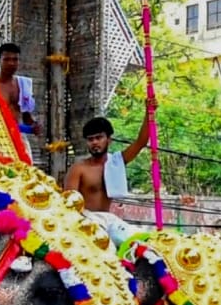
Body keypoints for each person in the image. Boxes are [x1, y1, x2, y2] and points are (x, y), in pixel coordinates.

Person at [63, 100, 153, 244]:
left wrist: (149, 113)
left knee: (144, 241)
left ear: (109, 140)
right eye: (90, 139)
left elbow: (141, 142)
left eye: (99, 138)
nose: (95, 143)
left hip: (108, 220)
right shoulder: (78, 169)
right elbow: (68, 207)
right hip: (86, 222)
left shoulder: (116, 162)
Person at [0, 43, 37, 139]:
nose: (11, 63)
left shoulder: (23, 84)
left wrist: (34, 126)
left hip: (17, 137)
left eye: (15, 59)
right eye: (6, 59)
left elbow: (27, 117)